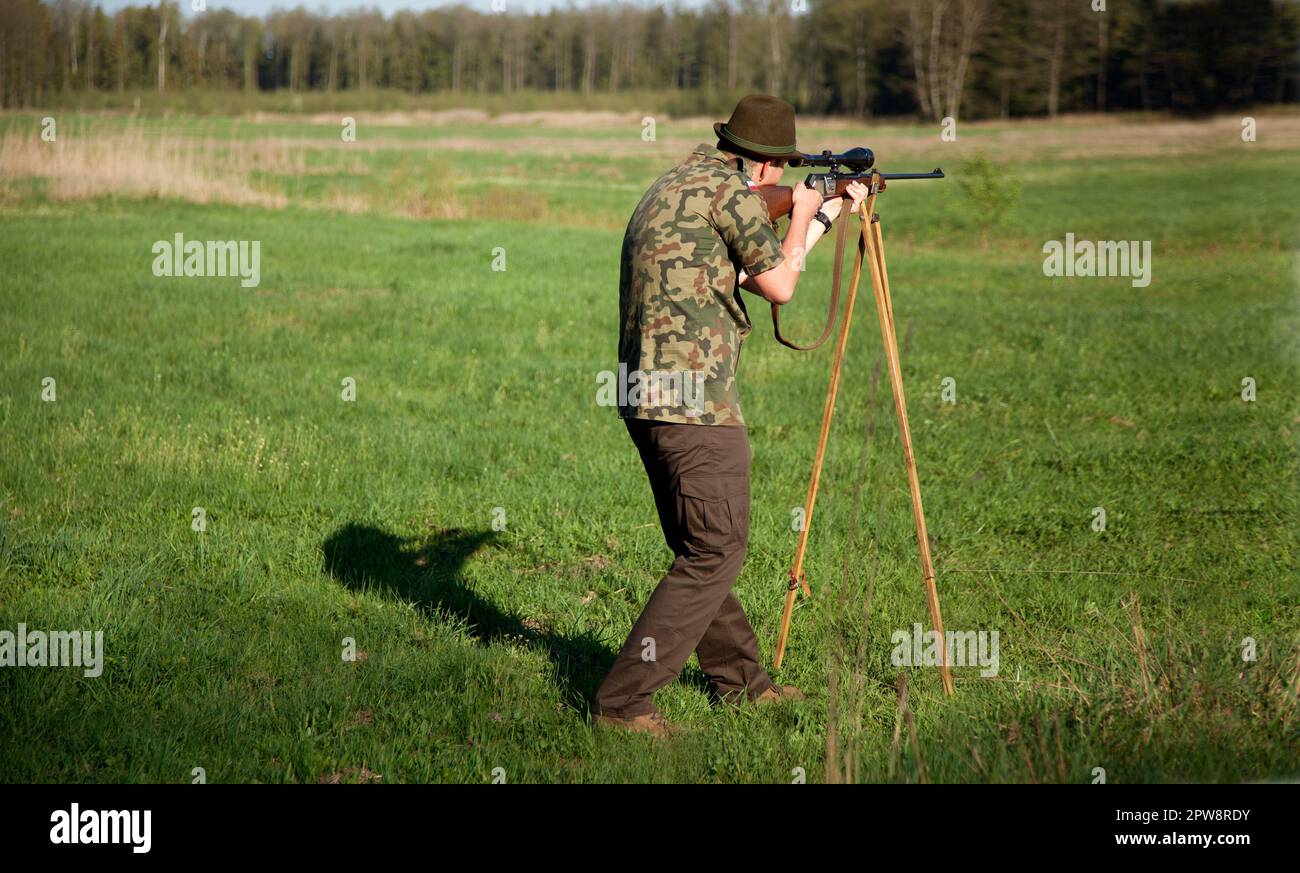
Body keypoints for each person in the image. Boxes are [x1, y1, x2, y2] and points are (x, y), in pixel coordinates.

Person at [595, 94, 869, 737]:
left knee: (701, 548)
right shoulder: (738, 196)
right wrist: (803, 210)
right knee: (715, 551)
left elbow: (746, 272)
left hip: (645, 397)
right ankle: (623, 703)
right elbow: (778, 286)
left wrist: (819, 213)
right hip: (695, 405)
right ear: (770, 167)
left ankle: (742, 685)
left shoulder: (676, 185)